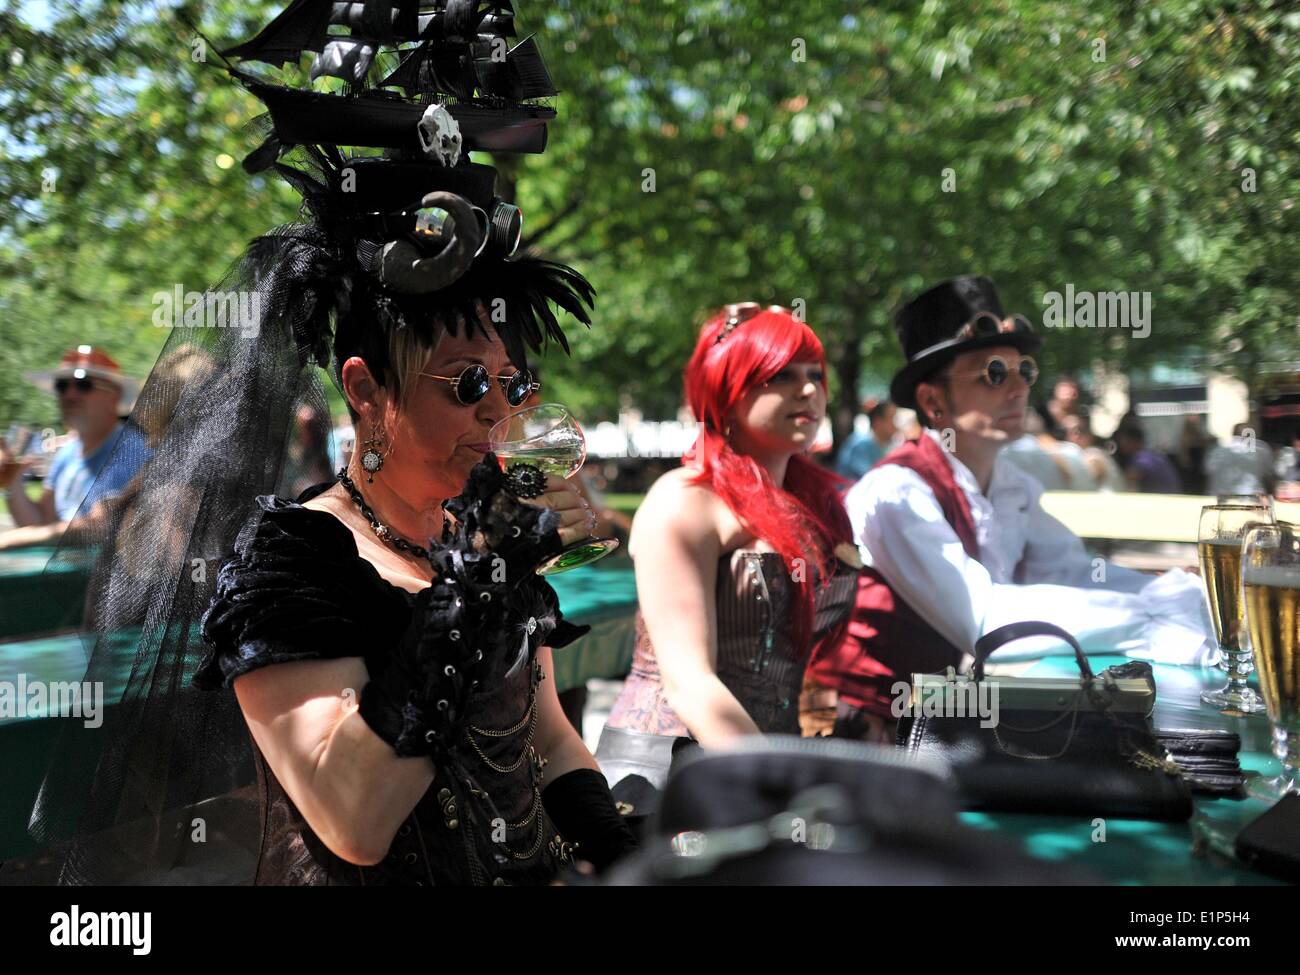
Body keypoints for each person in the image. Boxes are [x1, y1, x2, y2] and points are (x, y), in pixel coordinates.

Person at [19, 1, 635, 886]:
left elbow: (547, 732)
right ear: (366, 392)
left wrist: (614, 846)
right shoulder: (289, 561)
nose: (498, 413)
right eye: (465, 383)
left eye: (514, 384)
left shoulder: (479, 537)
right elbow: (354, 818)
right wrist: (468, 599)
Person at [804, 277, 1215, 739]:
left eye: (1026, 371)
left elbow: (1071, 570)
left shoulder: (1011, 484)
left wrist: (1184, 597)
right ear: (933, 401)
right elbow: (984, 624)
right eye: (994, 373)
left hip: (937, 722)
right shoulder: (894, 493)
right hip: (865, 737)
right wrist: (1148, 616)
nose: (1018, 388)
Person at [595, 304, 860, 789]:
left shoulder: (816, 505)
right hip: (667, 777)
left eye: (815, 376)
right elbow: (689, 684)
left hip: (768, 765)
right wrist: (778, 785)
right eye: (779, 375)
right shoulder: (684, 501)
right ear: (726, 388)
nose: (808, 390)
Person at [0, 347, 151, 549]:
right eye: (62, 386)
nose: (69, 394)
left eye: (83, 385)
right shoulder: (67, 453)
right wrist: (11, 484)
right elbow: (43, 520)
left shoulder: (131, 450)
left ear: (113, 396)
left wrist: (19, 537)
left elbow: (100, 527)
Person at [1205, 421, 1277, 498]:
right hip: (1252, 498)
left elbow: (1208, 474)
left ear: (1233, 433)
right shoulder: (1261, 448)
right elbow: (1270, 476)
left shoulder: (1216, 449)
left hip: (1220, 497)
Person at [1113, 413, 1182, 493]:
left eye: (1125, 442)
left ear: (1134, 442)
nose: (1122, 446)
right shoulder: (1154, 455)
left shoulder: (1141, 458)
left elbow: (1125, 482)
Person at [1061, 410, 1126, 492]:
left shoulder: (1093, 456)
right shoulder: (1091, 454)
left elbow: (1085, 482)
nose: (1075, 436)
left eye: (1080, 431)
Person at [835, 398, 898, 480]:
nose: (897, 424)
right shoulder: (862, 444)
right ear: (878, 422)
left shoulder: (878, 444)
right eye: (893, 418)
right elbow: (871, 478)